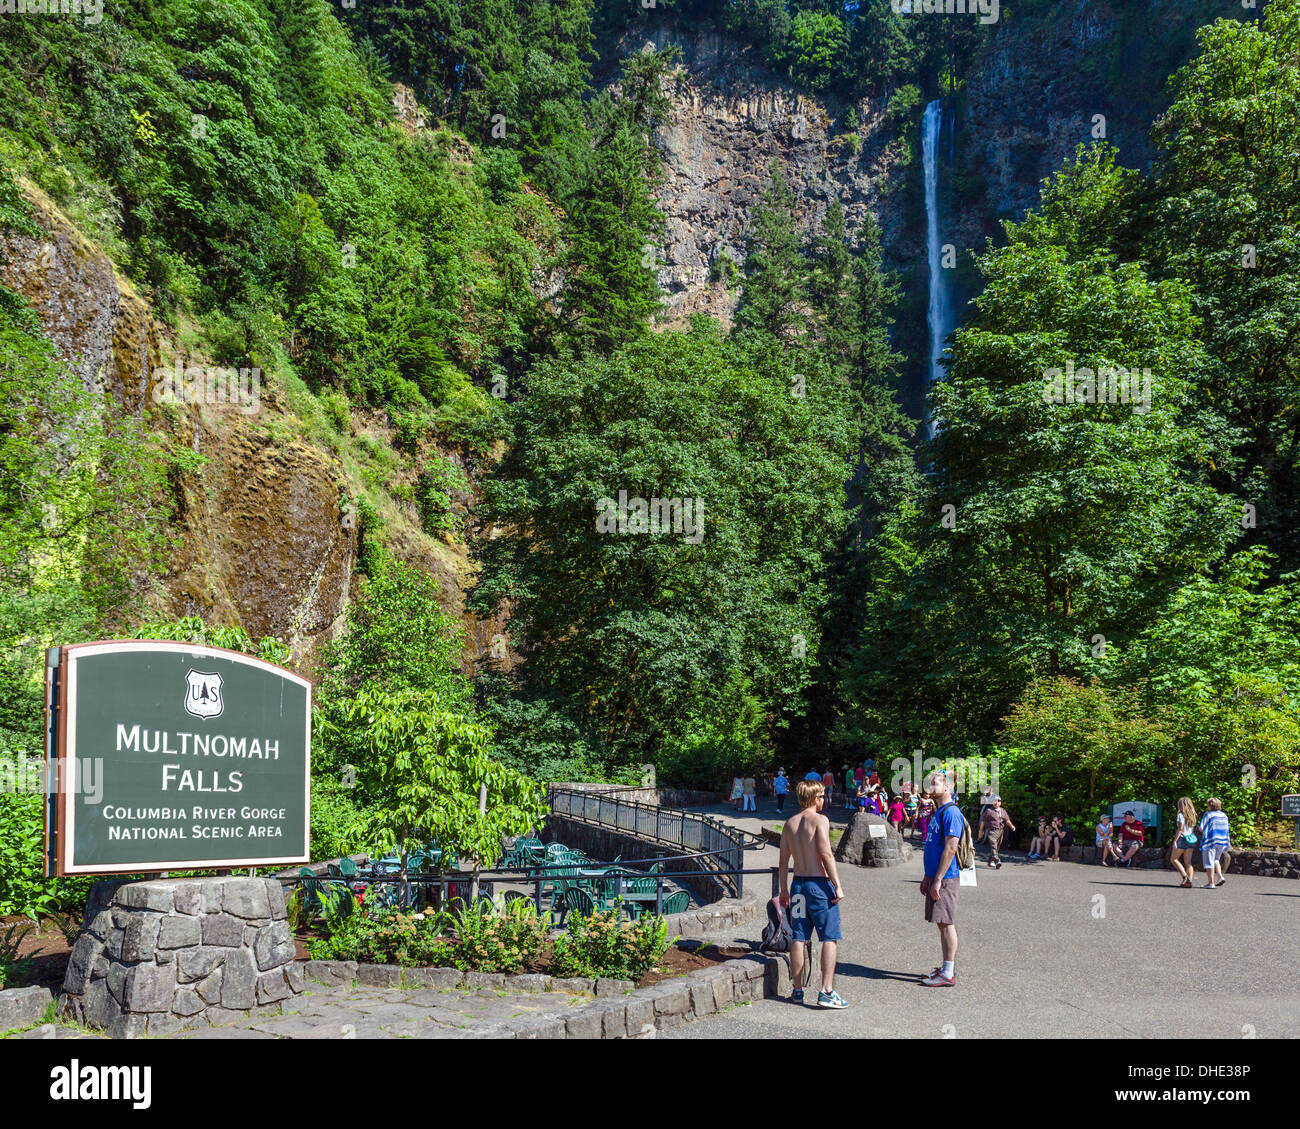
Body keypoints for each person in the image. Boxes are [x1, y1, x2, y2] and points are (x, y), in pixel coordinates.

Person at [778, 779, 849, 1008]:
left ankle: (797, 990)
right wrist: (837, 884)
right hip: (819, 887)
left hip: (797, 885)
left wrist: (783, 889)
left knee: (798, 936)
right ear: (815, 798)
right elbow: (826, 854)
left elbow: (782, 863)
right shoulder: (820, 820)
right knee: (829, 937)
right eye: (822, 795)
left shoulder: (790, 823)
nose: (824, 799)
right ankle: (826, 991)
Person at [919, 770, 963, 986]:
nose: (930, 787)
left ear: (947, 787)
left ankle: (948, 973)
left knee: (946, 923)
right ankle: (945, 968)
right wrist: (927, 877)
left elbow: (951, 847)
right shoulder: (940, 811)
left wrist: (937, 879)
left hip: (945, 878)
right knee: (941, 923)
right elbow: (934, 847)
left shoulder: (952, 812)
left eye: (935, 784)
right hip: (936, 877)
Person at [1198, 798, 1230, 888]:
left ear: (1210, 806)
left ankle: (1210, 883)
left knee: (1209, 862)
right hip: (1222, 841)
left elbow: (1201, 827)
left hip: (1210, 841)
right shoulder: (1224, 815)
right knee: (1216, 859)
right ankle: (1220, 877)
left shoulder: (1208, 815)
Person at [977, 795, 1015, 869]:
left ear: (1000, 803)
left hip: (1000, 831)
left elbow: (1007, 820)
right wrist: (981, 831)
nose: (996, 803)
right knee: (993, 846)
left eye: (998, 801)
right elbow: (983, 822)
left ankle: (991, 861)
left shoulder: (1003, 811)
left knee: (996, 848)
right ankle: (997, 861)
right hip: (992, 831)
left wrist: (1012, 826)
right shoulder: (988, 811)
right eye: (995, 801)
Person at [1170, 797, 1198, 888]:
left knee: (1174, 859)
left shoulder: (1181, 815)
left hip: (1182, 839)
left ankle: (1185, 877)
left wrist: (1175, 840)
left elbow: (1180, 829)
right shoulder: (1193, 815)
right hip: (1191, 839)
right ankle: (1189, 882)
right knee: (1188, 862)